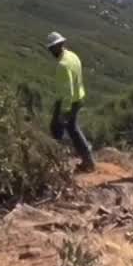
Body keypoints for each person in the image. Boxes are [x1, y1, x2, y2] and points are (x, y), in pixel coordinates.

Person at [45, 31, 96, 172]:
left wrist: (64, 112)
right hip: (78, 99)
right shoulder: (73, 56)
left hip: (68, 102)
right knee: (72, 129)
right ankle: (88, 161)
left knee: (56, 130)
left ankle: (57, 164)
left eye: (51, 48)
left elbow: (68, 92)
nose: (51, 51)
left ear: (57, 46)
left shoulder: (62, 65)